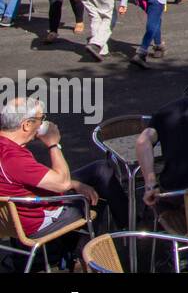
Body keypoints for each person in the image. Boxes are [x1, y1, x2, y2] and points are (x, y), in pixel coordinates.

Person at [0, 97, 131, 267]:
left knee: (100, 171)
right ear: (26, 125)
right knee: (96, 195)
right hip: (40, 220)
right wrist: (53, 144)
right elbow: (61, 183)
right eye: (41, 119)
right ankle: (90, 246)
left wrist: (74, 184)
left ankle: (78, 248)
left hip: (11, 215)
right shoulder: (13, 158)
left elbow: (28, 179)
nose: (43, 123)